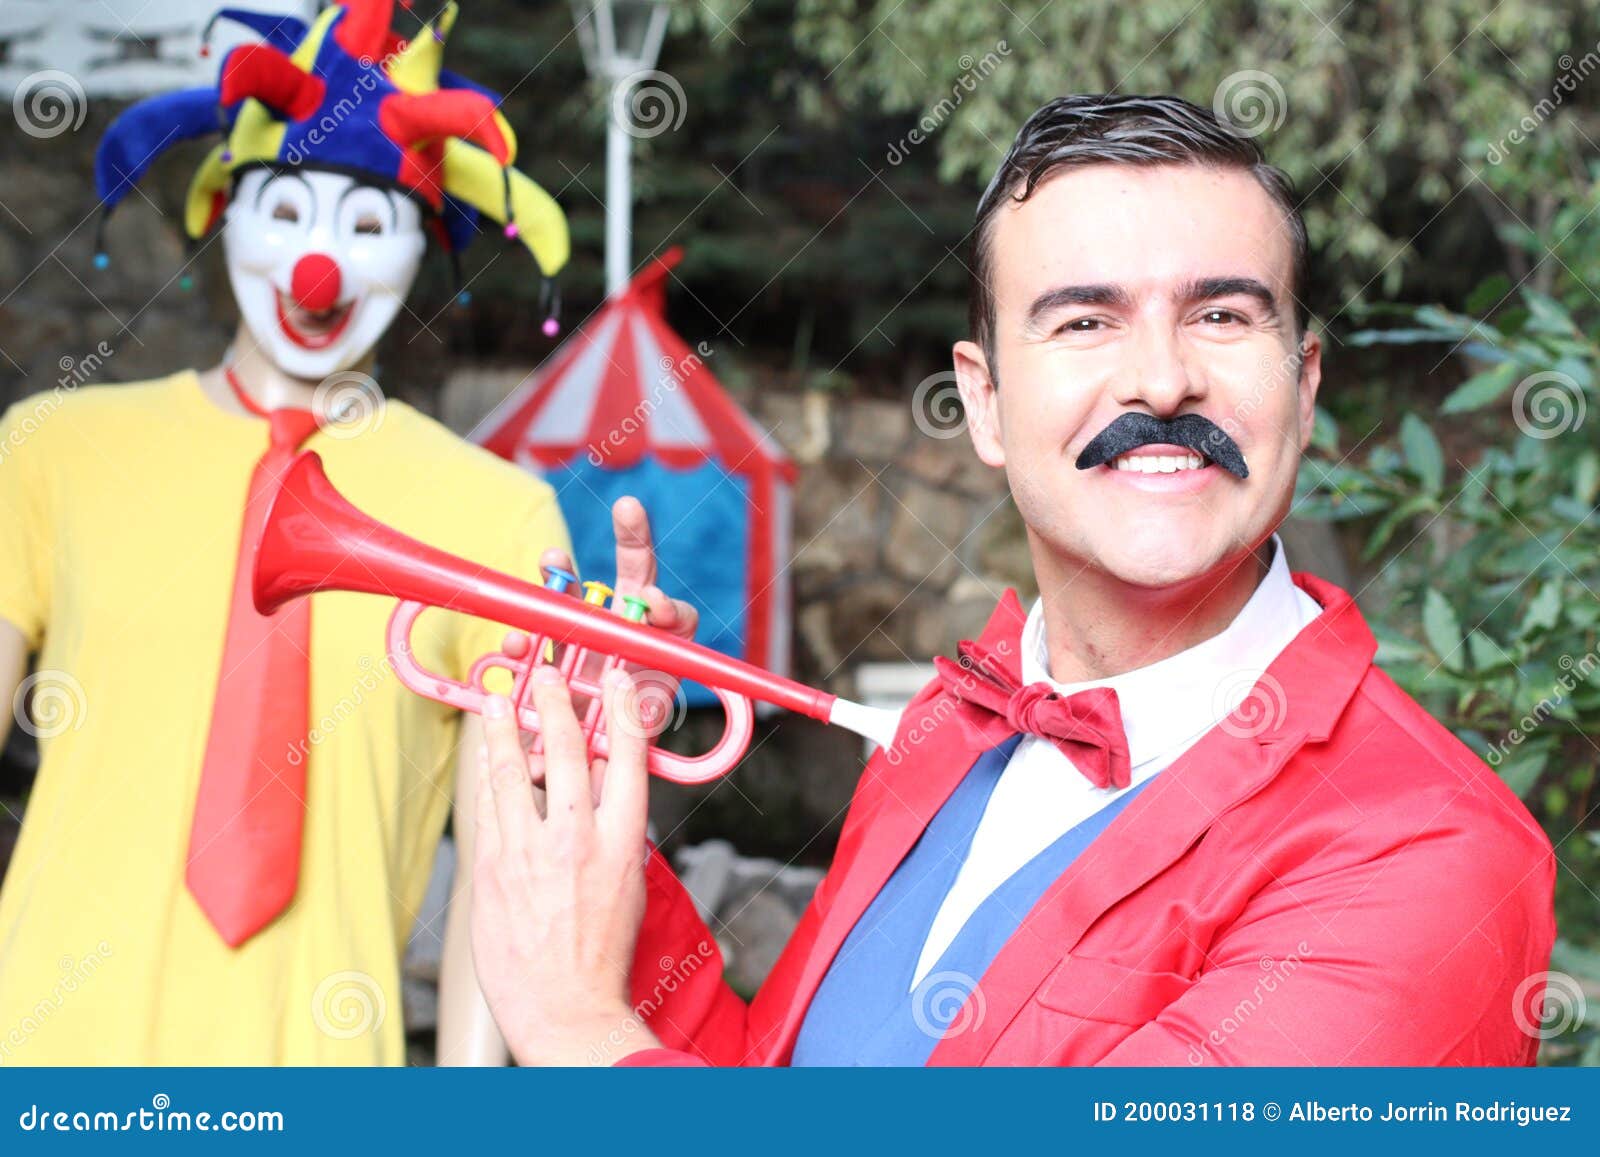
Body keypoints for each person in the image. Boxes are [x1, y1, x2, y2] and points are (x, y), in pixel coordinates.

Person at [467, 94, 1558, 1067]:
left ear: (1303, 382)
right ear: (982, 402)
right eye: (1085, 320)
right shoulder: (957, 717)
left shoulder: (1431, 856)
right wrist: (585, 821)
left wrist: (576, 1031)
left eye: (1221, 315)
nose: (1163, 378)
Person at [0, 0, 671, 1066]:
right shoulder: (47, 451)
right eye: (288, 212)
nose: (321, 267)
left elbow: (501, 882)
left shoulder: (497, 516)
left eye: (367, 228)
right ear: (224, 210)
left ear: (421, 250)